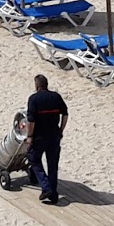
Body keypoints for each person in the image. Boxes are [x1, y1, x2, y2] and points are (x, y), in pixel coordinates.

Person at [24, 73, 68, 204]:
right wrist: (61, 130)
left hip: (39, 137)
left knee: (33, 159)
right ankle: (53, 195)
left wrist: (30, 136)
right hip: (54, 136)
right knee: (53, 165)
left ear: (37, 86)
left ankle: (46, 187)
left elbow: (31, 121)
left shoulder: (34, 99)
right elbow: (65, 114)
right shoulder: (56, 97)